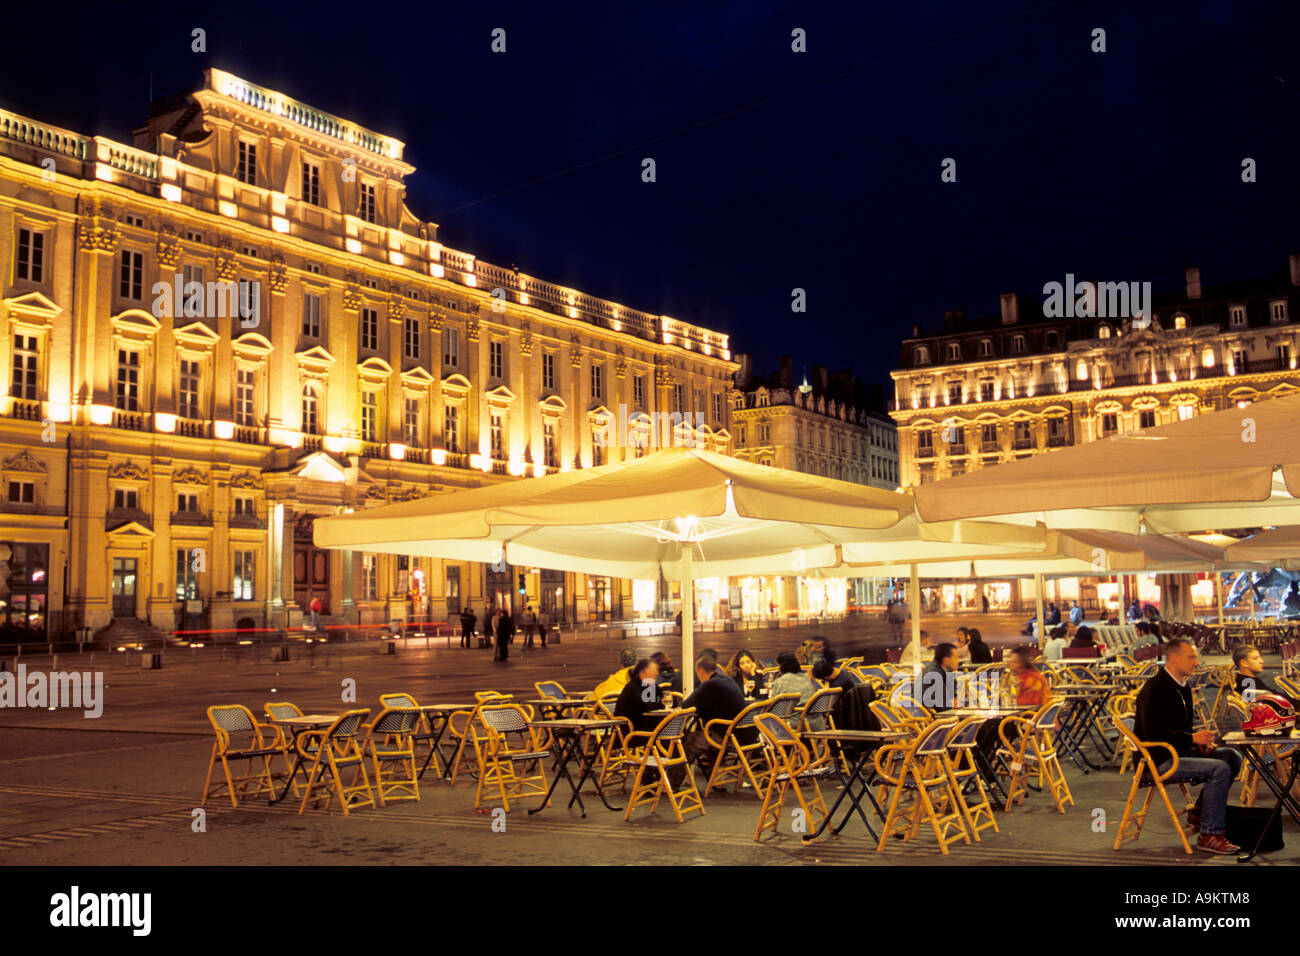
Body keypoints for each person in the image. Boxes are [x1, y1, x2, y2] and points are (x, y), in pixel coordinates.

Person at [1134, 638, 1243, 854]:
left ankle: (1200, 811)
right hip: (1156, 761)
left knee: (1231, 756)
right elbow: (1152, 734)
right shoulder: (1155, 688)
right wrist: (1193, 739)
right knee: (1218, 768)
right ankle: (1210, 834)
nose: (1197, 662)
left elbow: (1179, 731)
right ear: (1174, 658)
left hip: (1177, 753)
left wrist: (1198, 743)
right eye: (1192, 657)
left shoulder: (1182, 687)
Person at [681, 657, 749, 774]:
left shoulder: (709, 684)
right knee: (708, 733)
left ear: (700, 671)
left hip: (729, 737)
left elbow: (685, 706)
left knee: (688, 743)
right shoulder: (728, 680)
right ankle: (714, 778)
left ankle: (671, 787)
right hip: (746, 734)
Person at [614, 658, 662, 733]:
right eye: (653, 670)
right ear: (642, 672)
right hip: (632, 732)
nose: (656, 673)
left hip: (648, 728)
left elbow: (663, 700)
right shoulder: (633, 688)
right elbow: (647, 707)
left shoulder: (652, 686)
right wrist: (660, 704)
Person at [917, 643, 959, 711]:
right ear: (946, 660)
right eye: (956, 658)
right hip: (929, 718)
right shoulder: (932, 674)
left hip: (943, 714)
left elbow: (954, 697)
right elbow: (936, 705)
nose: (958, 661)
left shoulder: (947, 672)